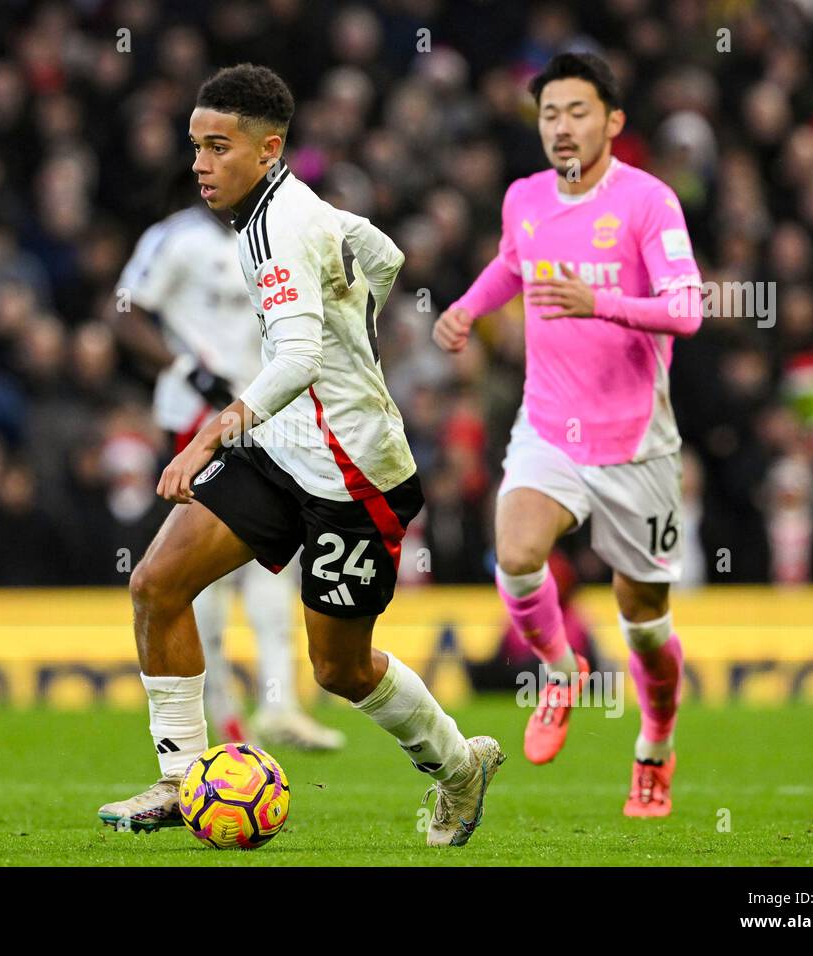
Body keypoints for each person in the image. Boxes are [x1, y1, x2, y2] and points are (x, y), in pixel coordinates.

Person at [99, 63, 504, 847]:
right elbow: (382, 255)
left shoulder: (278, 226)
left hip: (355, 472)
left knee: (340, 670)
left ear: (269, 148)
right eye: (195, 147)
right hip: (284, 447)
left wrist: (211, 433)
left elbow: (298, 358)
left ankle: (459, 766)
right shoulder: (295, 211)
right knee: (157, 584)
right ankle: (183, 780)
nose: (200, 165)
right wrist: (359, 325)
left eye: (218, 148)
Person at [434, 52, 703, 817]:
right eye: (550, 113)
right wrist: (467, 307)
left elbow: (688, 310)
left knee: (645, 625)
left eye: (577, 111)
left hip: (637, 445)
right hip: (550, 426)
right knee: (517, 558)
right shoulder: (524, 198)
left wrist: (602, 302)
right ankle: (558, 667)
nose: (561, 126)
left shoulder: (651, 203)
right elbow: (511, 266)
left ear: (613, 122)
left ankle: (655, 742)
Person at [104, 170, 345, 751]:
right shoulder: (176, 237)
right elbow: (122, 309)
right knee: (202, 563)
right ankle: (224, 712)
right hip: (199, 414)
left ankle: (278, 705)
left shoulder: (274, 236)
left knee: (273, 557)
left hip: (267, 409)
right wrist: (184, 366)